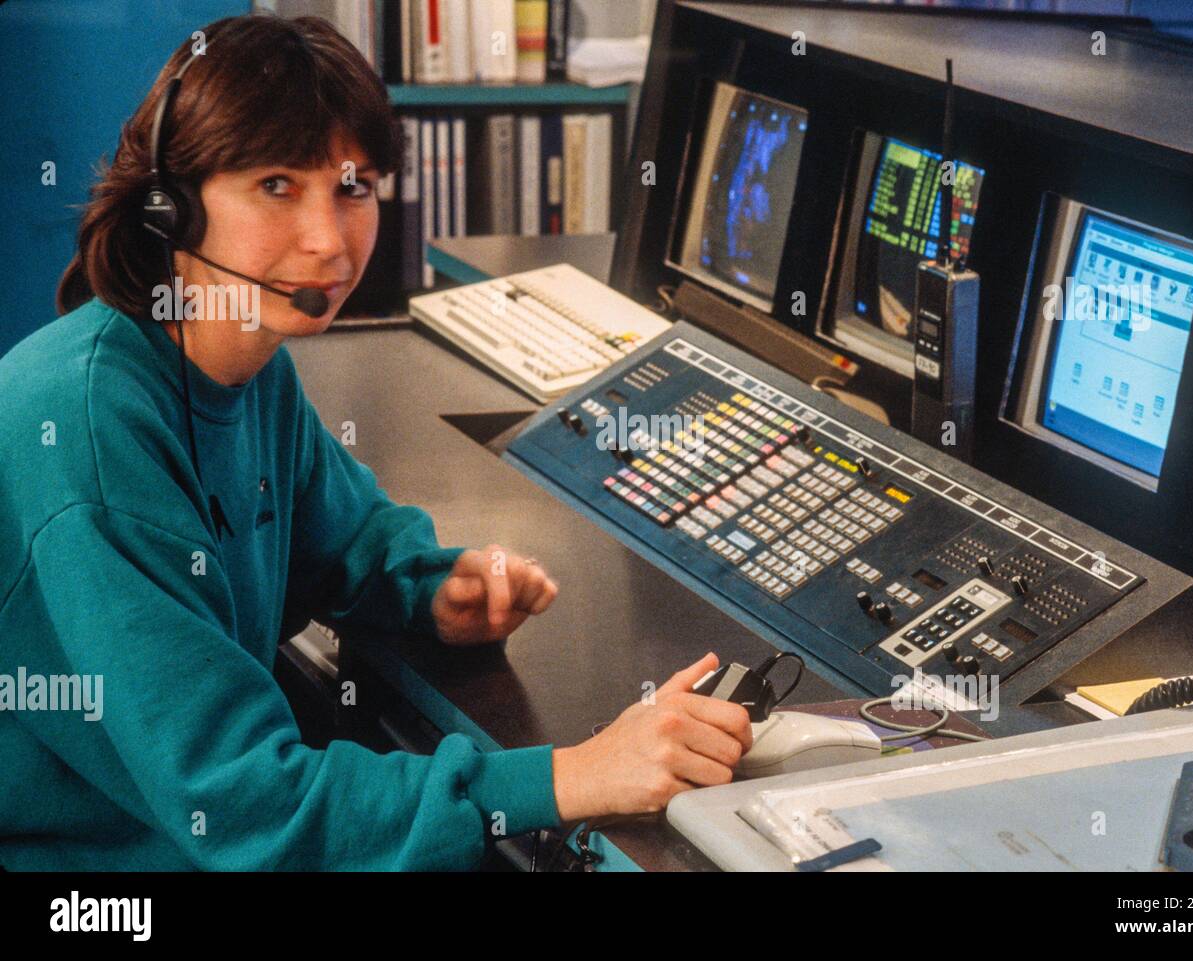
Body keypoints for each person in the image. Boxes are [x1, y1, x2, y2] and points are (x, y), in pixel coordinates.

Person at [0, 14, 751, 871]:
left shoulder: (242, 356)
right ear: (172, 204)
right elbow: (250, 808)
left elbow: (341, 535)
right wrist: (571, 776)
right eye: (278, 185)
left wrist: (431, 586)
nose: (328, 241)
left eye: (352, 188)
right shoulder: (94, 437)